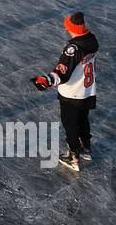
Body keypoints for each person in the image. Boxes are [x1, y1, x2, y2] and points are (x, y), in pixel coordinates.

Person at [31, 12, 99, 172]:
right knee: (83, 120)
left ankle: (73, 157)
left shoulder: (73, 49)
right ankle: (86, 149)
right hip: (87, 91)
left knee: (70, 125)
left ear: (70, 28)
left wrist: (46, 81)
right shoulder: (92, 40)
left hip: (71, 95)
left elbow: (62, 72)